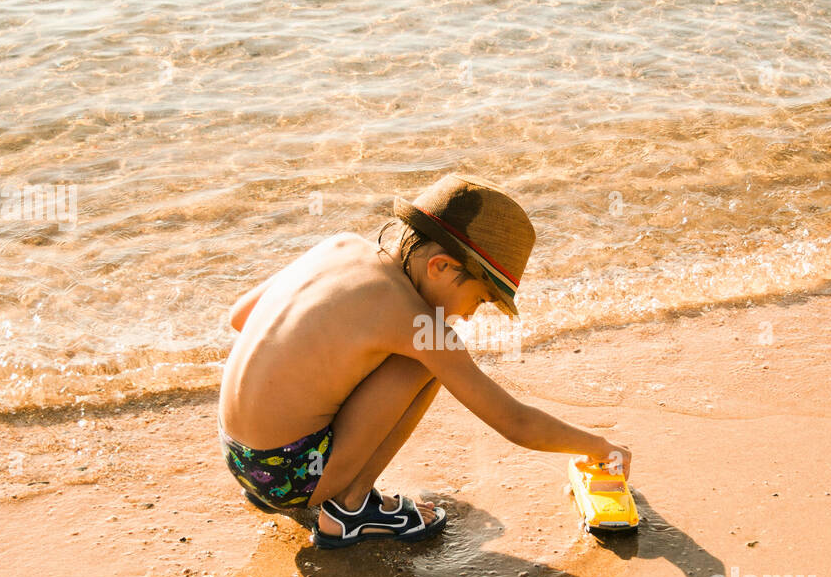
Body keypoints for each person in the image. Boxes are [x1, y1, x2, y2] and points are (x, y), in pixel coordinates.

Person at [217, 172, 631, 548]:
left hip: (239, 458)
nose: (471, 314)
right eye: (481, 299)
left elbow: (240, 316)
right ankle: (350, 506)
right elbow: (515, 423)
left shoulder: (340, 245)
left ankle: (309, 482)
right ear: (440, 266)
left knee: (400, 349)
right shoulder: (418, 324)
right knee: (428, 356)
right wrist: (600, 448)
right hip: (291, 478)